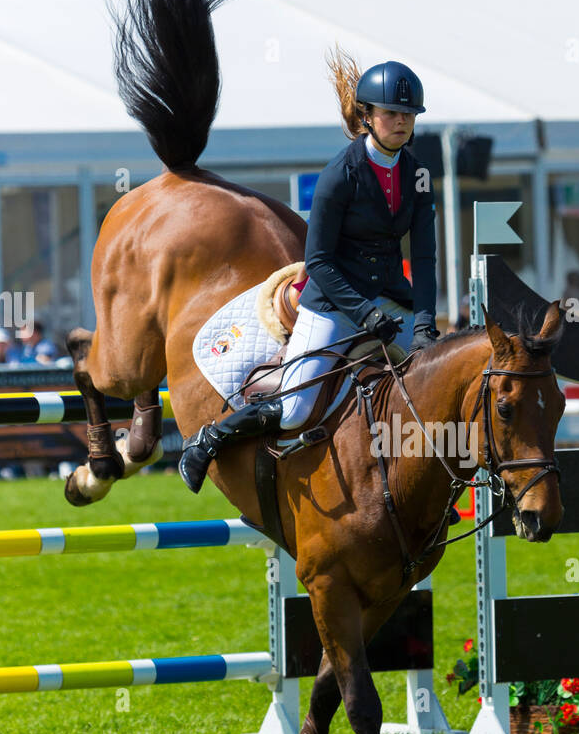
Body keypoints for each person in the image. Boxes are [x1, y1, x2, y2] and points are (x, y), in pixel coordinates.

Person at [179, 51, 439, 492]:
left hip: (391, 299)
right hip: (335, 301)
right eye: (393, 113)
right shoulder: (341, 173)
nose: (402, 121)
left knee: (436, 389)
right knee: (297, 408)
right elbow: (318, 259)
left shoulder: (418, 176)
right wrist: (365, 315)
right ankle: (210, 438)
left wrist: (427, 325)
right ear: (368, 115)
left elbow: (428, 258)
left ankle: (425, 494)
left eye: (409, 114)